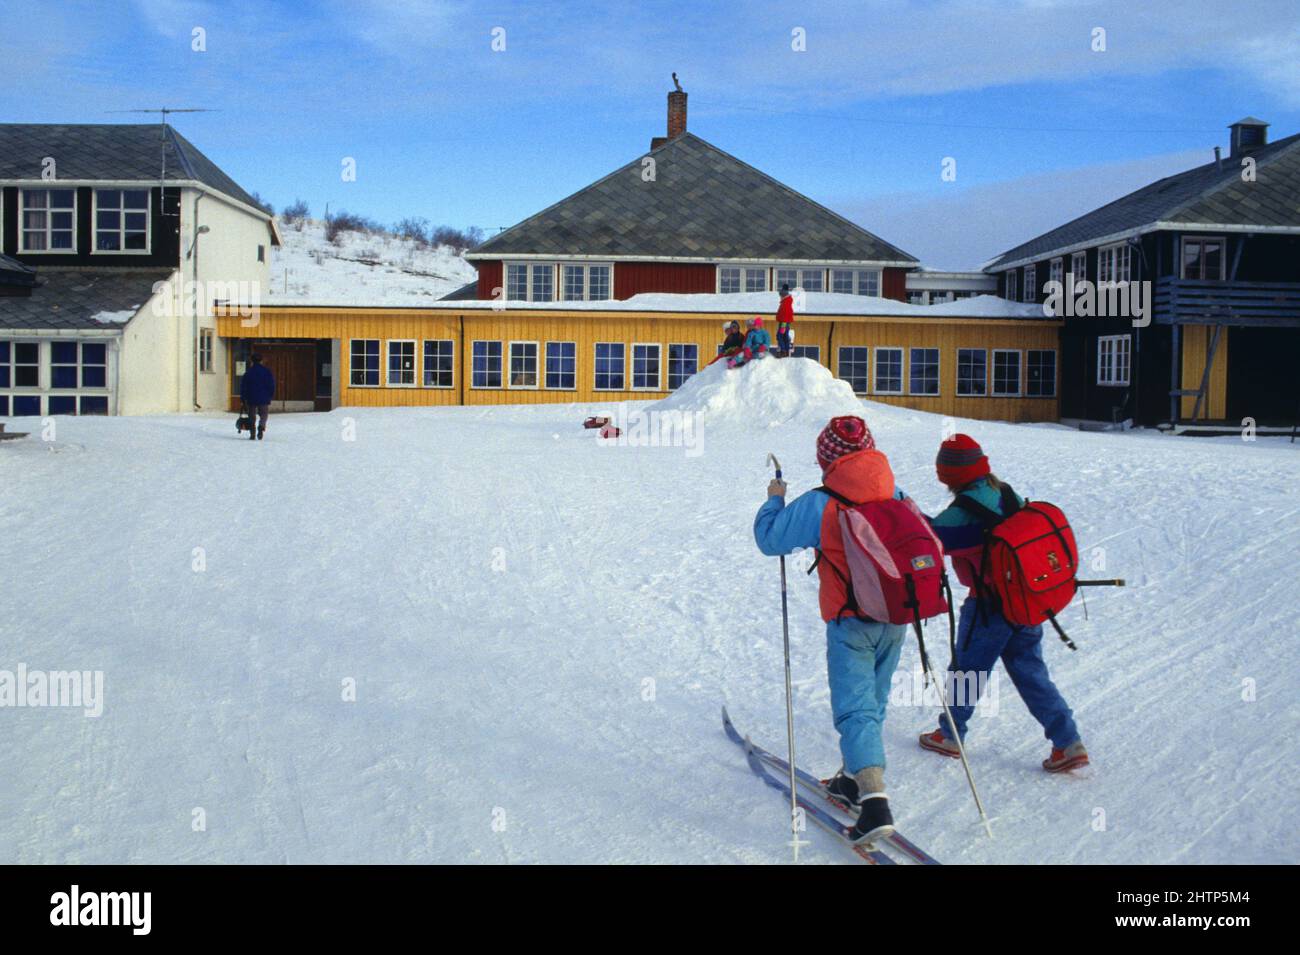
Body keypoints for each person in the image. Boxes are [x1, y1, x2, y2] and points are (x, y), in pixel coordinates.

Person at [753, 415, 908, 843]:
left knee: (855, 708)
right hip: (896, 617)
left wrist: (774, 499)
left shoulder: (823, 501)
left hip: (850, 620)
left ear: (827, 458)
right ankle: (852, 780)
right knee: (873, 701)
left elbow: (770, 540)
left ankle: (874, 804)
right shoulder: (894, 491)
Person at [919, 434, 1089, 773]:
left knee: (967, 670)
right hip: (1025, 602)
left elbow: (931, 541)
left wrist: (906, 512)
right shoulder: (1006, 493)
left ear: (947, 475)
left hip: (988, 607)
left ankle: (950, 734)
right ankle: (1068, 742)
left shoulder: (961, 511)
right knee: (1031, 673)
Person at [239, 353, 276, 441]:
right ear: (261, 361)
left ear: (252, 361)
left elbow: (243, 386)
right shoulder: (267, 372)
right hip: (263, 397)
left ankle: (252, 432)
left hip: (251, 397)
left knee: (251, 415)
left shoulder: (248, 373)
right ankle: (261, 426)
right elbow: (271, 384)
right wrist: (270, 395)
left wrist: (243, 398)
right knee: (264, 414)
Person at [775, 284, 795, 356]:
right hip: (785, 322)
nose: (780, 297)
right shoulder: (787, 302)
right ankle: (786, 350)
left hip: (783, 322)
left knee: (780, 336)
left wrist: (781, 320)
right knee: (784, 336)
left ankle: (783, 350)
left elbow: (784, 313)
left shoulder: (785, 302)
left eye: (780, 295)